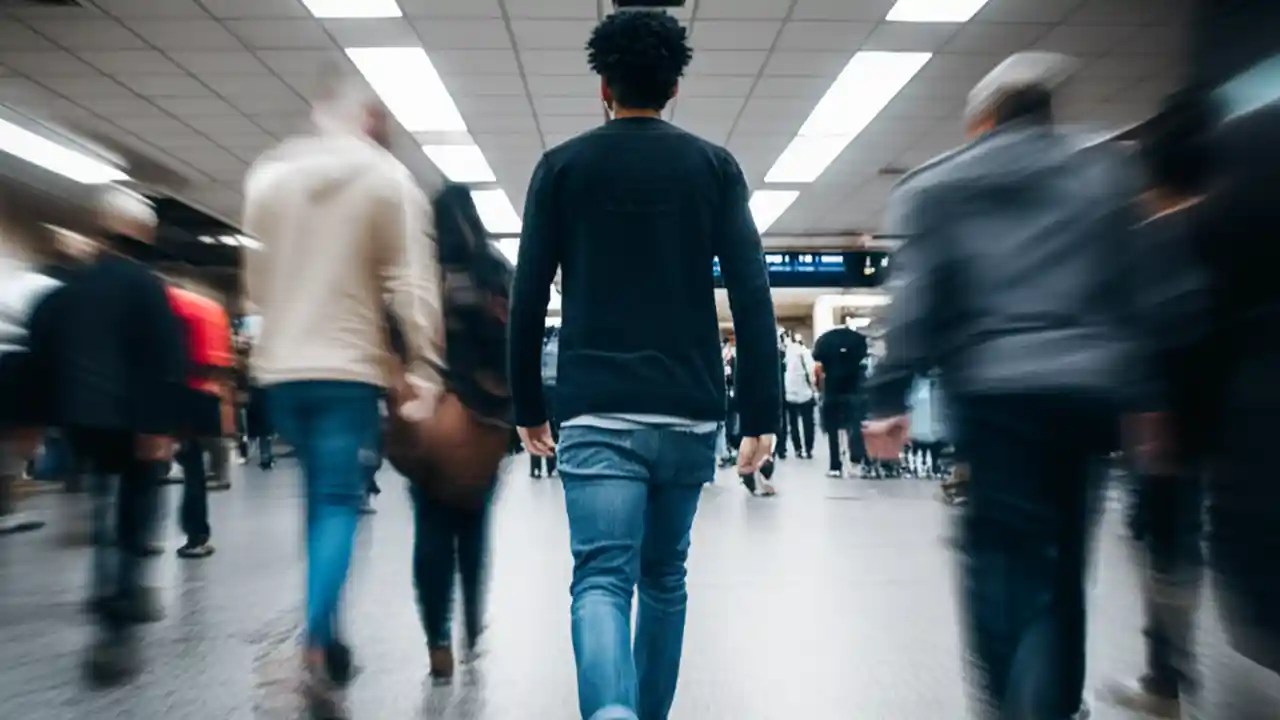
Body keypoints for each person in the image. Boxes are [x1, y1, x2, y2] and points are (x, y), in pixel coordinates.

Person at [508, 11, 779, 720]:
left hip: (596, 405)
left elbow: (528, 294)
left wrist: (527, 405)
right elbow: (751, 293)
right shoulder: (713, 168)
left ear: (604, 86)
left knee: (601, 577)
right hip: (687, 410)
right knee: (664, 576)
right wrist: (761, 414)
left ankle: (610, 712)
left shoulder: (561, 168)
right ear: (674, 87)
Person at [862, 51, 1143, 719]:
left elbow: (920, 301)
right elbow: (1135, 289)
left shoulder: (941, 185)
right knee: (1063, 569)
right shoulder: (1105, 172)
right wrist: (1151, 392)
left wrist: (888, 397)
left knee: (997, 561)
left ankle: (1011, 701)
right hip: (1084, 397)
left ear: (983, 121)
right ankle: (1049, 702)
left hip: (994, 398)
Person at [242, 72, 442, 714]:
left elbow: (258, 281)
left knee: (315, 500)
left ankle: (328, 632)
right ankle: (314, 641)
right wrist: (426, 368)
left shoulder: (270, 175)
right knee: (336, 502)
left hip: (281, 370)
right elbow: (410, 285)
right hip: (346, 369)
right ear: (371, 124)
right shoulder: (387, 180)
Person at [47, 188, 186, 684]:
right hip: (134, 422)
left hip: (84, 422)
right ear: (142, 232)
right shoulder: (145, 285)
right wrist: (160, 427)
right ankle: (117, 622)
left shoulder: (74, 285)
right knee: (135, 517)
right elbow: (166, 359)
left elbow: (47, 345)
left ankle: (108, 593)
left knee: (104, 511)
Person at [1102, 90, 1212, 719]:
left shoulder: (1159, 236)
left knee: (1166, 539)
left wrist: (1145, 409)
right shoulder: (1236, 222)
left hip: (1169, 420)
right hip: (1236, 417)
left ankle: (1165, 675)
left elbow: (1153, 325)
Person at [391, 183, 514, 683]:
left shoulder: (421, 275)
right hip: (483, 423)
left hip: (431, 416)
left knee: (431, 527)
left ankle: (437, 638)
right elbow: (510, 344)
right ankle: (472, 627)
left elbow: (395, 337)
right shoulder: (495, 273)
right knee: (474, 526)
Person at [166, 285, 234, 559]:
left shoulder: (171, 311)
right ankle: (196, 535)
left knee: (187, 464)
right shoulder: (208, 312)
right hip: (203, 397)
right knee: (194, 469)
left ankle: (192, 532)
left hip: (177, 397)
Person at [813, 321, 869, 477]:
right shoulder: (858, 341)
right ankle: (857, 460)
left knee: (832, 430)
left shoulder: (825, 342)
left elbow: (817, 359)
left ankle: (835, 465)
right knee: (856, 426)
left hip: (832, 390)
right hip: (854, 390)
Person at [531, 326, 560, 478]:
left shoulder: (538, 345)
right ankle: (548, 466)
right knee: (549, 428)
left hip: (542, 387)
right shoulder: (556, 345)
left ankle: (538, 467)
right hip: (550, 387)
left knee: (540, 427)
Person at [783, 335, 817, 459]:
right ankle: (808, 448)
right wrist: (814, 388)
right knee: (808, 423)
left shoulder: (787, 355)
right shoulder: (805, 353)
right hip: (805, 393)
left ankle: (797, 448)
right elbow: (811, 373)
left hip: (790, 394)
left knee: (793, 423)